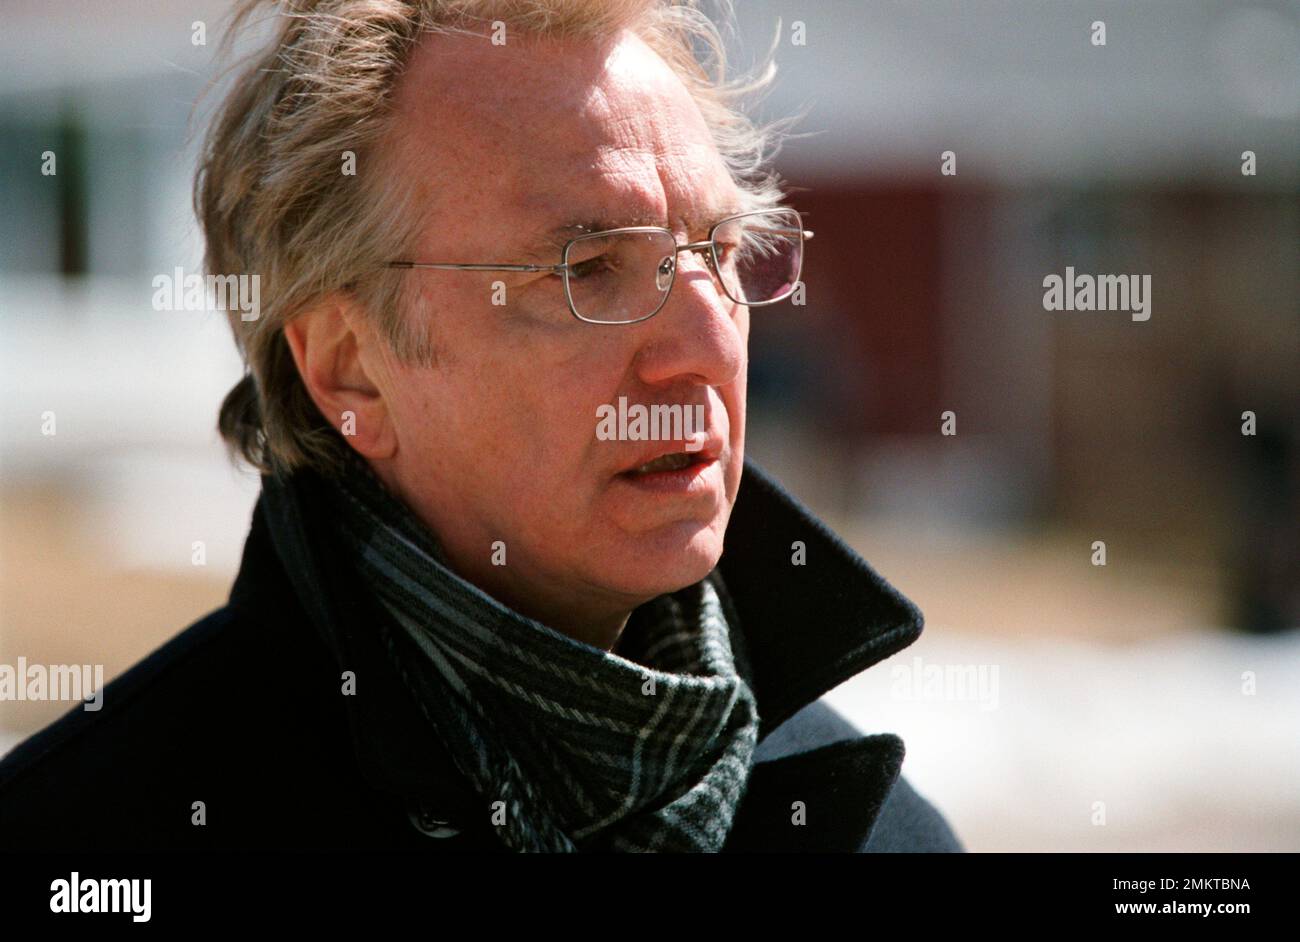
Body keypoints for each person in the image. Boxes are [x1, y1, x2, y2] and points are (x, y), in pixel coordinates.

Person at [0, 0, 962, 853]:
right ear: (349, 366)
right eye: (587, 268)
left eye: (719, 249)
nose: (708, 341)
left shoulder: (868, 823)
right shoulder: (88, 844)